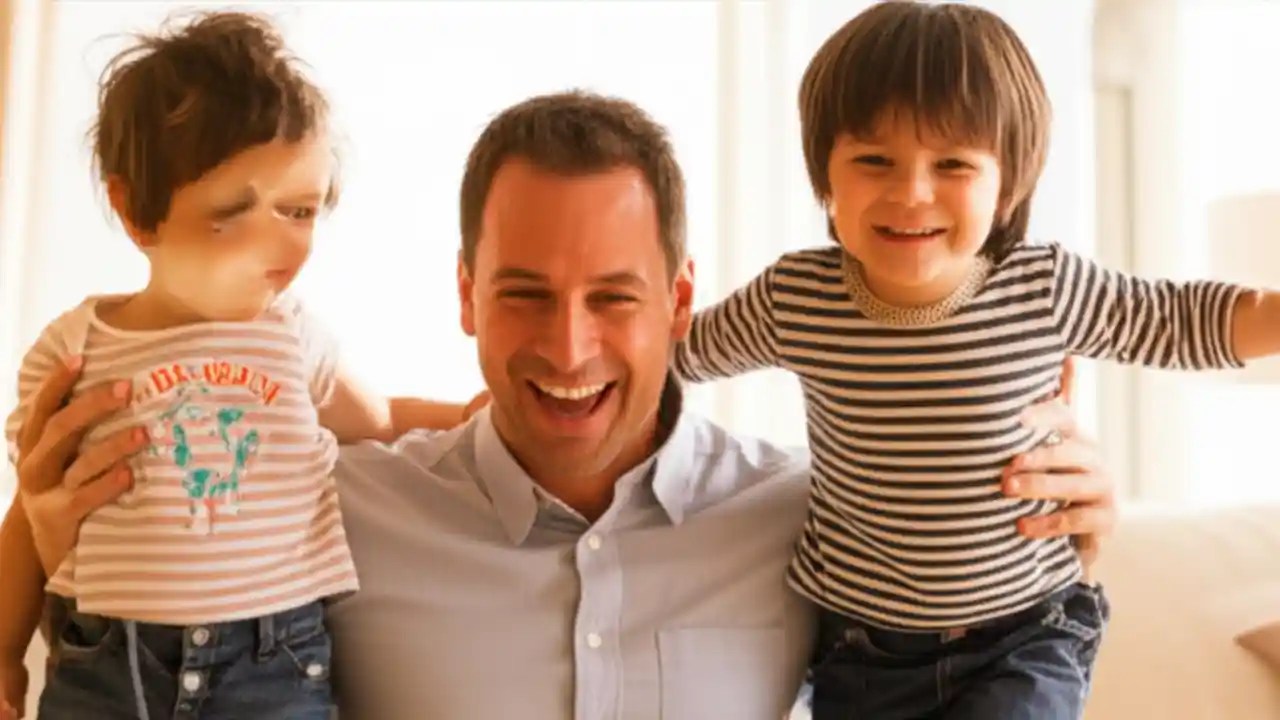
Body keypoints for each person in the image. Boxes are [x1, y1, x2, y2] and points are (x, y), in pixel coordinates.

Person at [5, 91, 1118, 720]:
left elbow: (963, 641)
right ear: (464, 296)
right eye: (525, 294)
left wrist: (1071, 514)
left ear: (682, 302)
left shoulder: (805, 515)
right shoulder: (333, 507)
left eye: (615, 299)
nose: (569, 347)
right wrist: (60, 547)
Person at [669, 2, 1280, 718]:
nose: (911, 192)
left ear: (1010, 185)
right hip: (862, 650)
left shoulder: (1043, 286)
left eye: (953, 163)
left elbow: (1177, 320)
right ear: (825, 175)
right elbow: (670, 359)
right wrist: (524, 396)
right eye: (874, 160)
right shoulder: (797, 297)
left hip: (1023, 636)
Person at [0, 12, 467, 720]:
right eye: (231, 213)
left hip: (273, 663)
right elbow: (27, 523)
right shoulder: (73, 351)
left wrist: (472, 414)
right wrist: (4, 650)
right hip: (108, 664)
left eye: (300, 210)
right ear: (136, 212)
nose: (278, 243)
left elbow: (384, 419)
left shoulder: (292, 338)